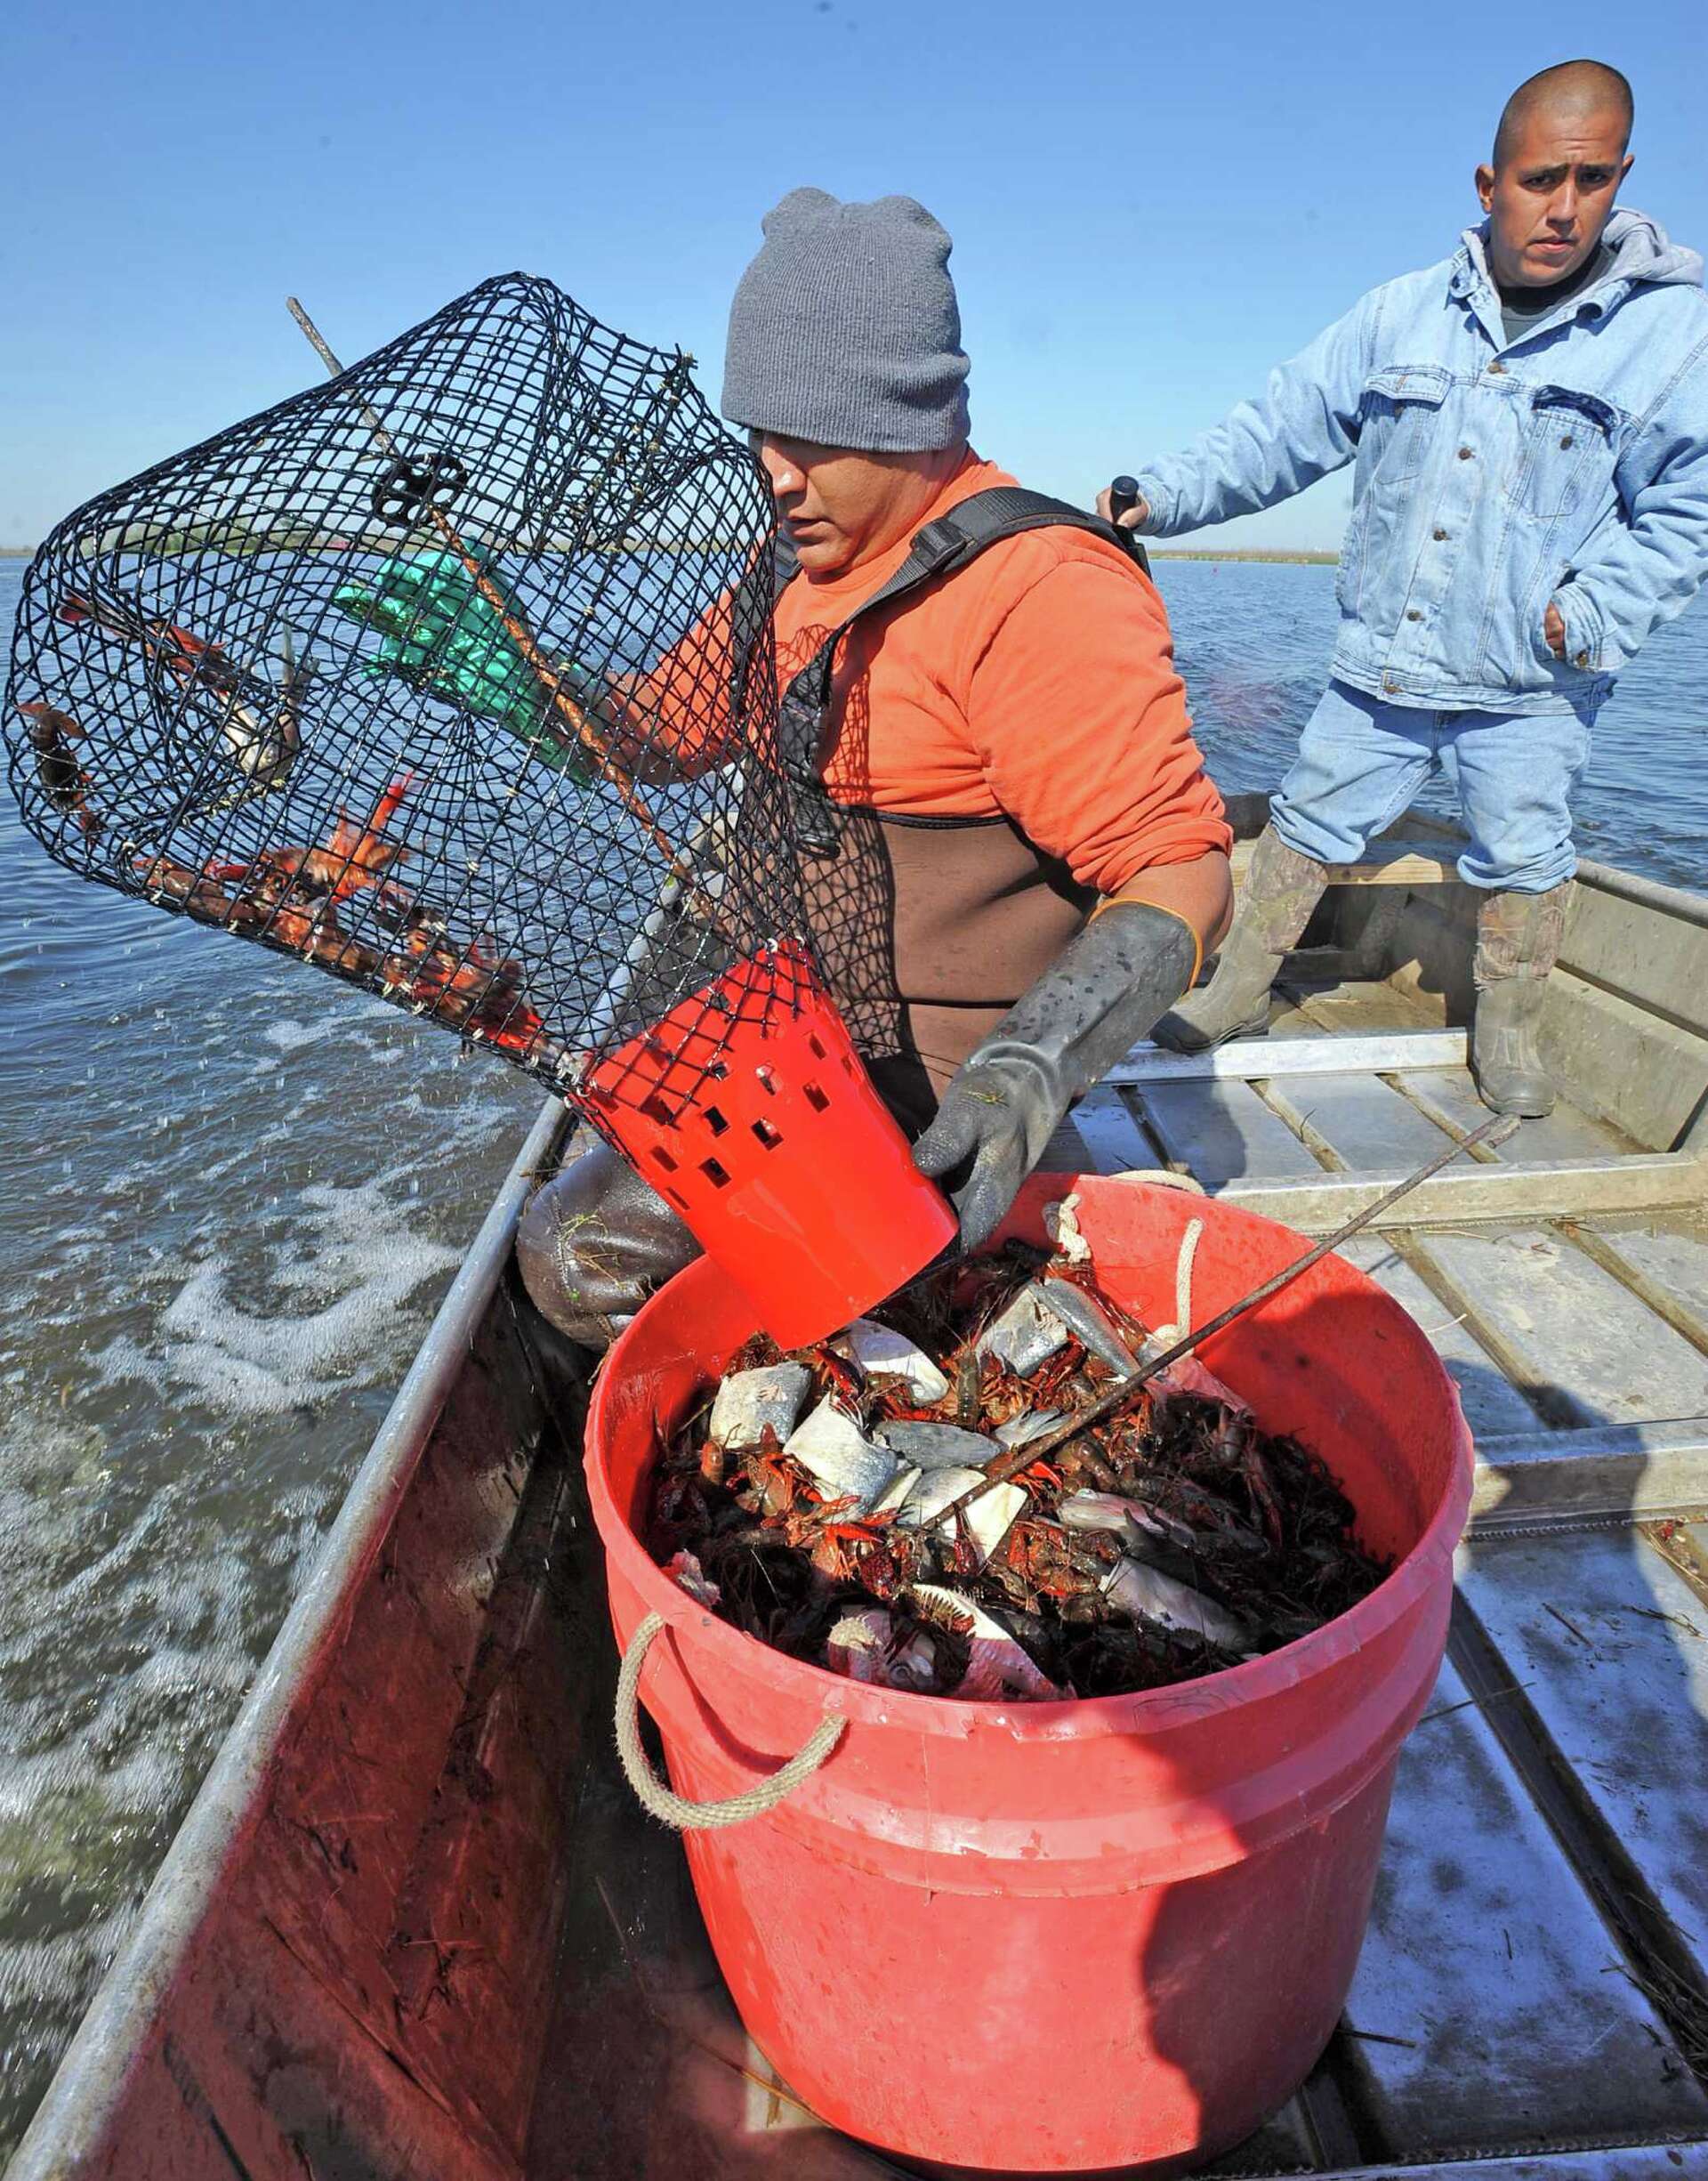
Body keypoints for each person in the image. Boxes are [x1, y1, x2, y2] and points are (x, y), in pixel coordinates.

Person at [518, 188, 1232, 1347]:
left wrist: (1030, 1066)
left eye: (810, 436)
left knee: (572, 1260)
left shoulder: (1037, 590)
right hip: (790, 1043)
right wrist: (523, 685)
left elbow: (1181, 867)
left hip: (937, 1096)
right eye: (759, 433)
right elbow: (660, 733)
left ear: (907, 413)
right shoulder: (788, 568)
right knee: (560, 1238)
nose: (775, 473)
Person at [1101, 60, 1708, 1115]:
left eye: (1593, 178)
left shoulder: (1672, 335)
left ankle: (1509, 1027)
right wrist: (1159, 496)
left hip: (1534, 686)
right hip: (1380, 665)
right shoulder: (1401, 314)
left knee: (1526, 850)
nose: (1564, 208)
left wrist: (1589, 615)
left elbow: (1690, 509)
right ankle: (1239, 985)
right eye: (1539, 180)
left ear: (1622, 177)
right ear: (1489, 184)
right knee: (1305, 818)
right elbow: (1279, 431)